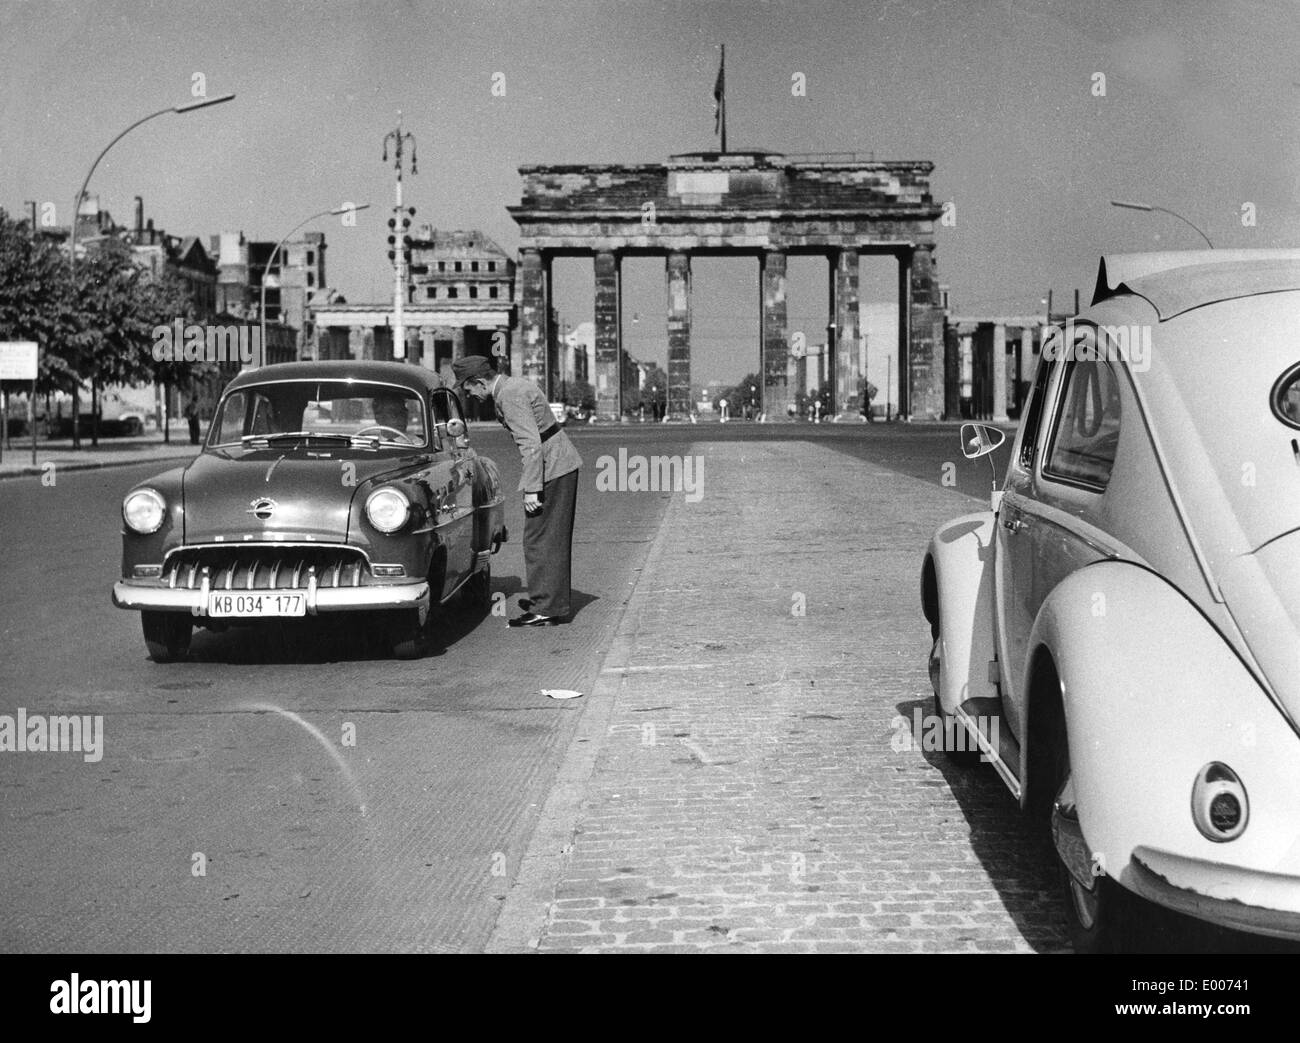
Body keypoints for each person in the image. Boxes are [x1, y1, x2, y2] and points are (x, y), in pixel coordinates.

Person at [453, 355, 582, 627]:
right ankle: (547, 601)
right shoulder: (513, 387)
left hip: (552, 468)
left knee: (539, 538)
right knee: (549, 536)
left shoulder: (508, 396)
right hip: (559, 463)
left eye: (468, 389)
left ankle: (545, 607)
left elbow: (531, 445)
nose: (469, 395)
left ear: (478, 382)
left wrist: (533, 489)